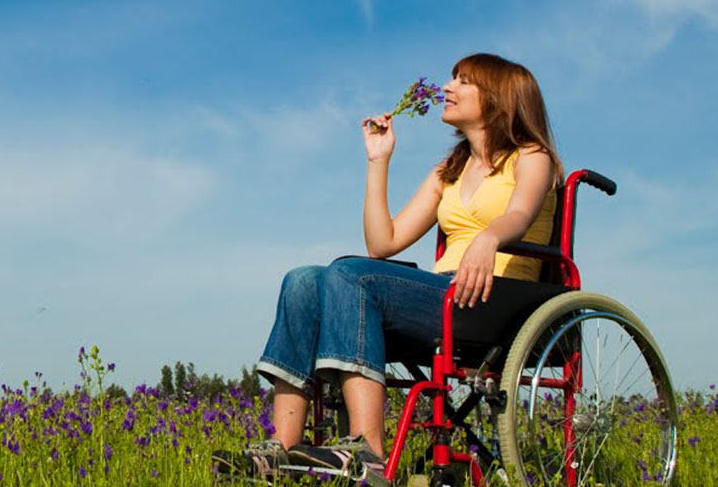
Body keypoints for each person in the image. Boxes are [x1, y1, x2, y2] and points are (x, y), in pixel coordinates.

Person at [212, 53, 564, 483]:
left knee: (350, 274)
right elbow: (383, 242)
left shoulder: (531, 156)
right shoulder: (448, 171)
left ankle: (366, 449)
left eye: (462, 82)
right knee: (303, 280)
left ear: (497, 97)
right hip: (442, 296)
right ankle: (282, 450)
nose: (447, 89)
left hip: (493, 300)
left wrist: (489, 238)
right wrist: (378, 160)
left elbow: (522, 213)